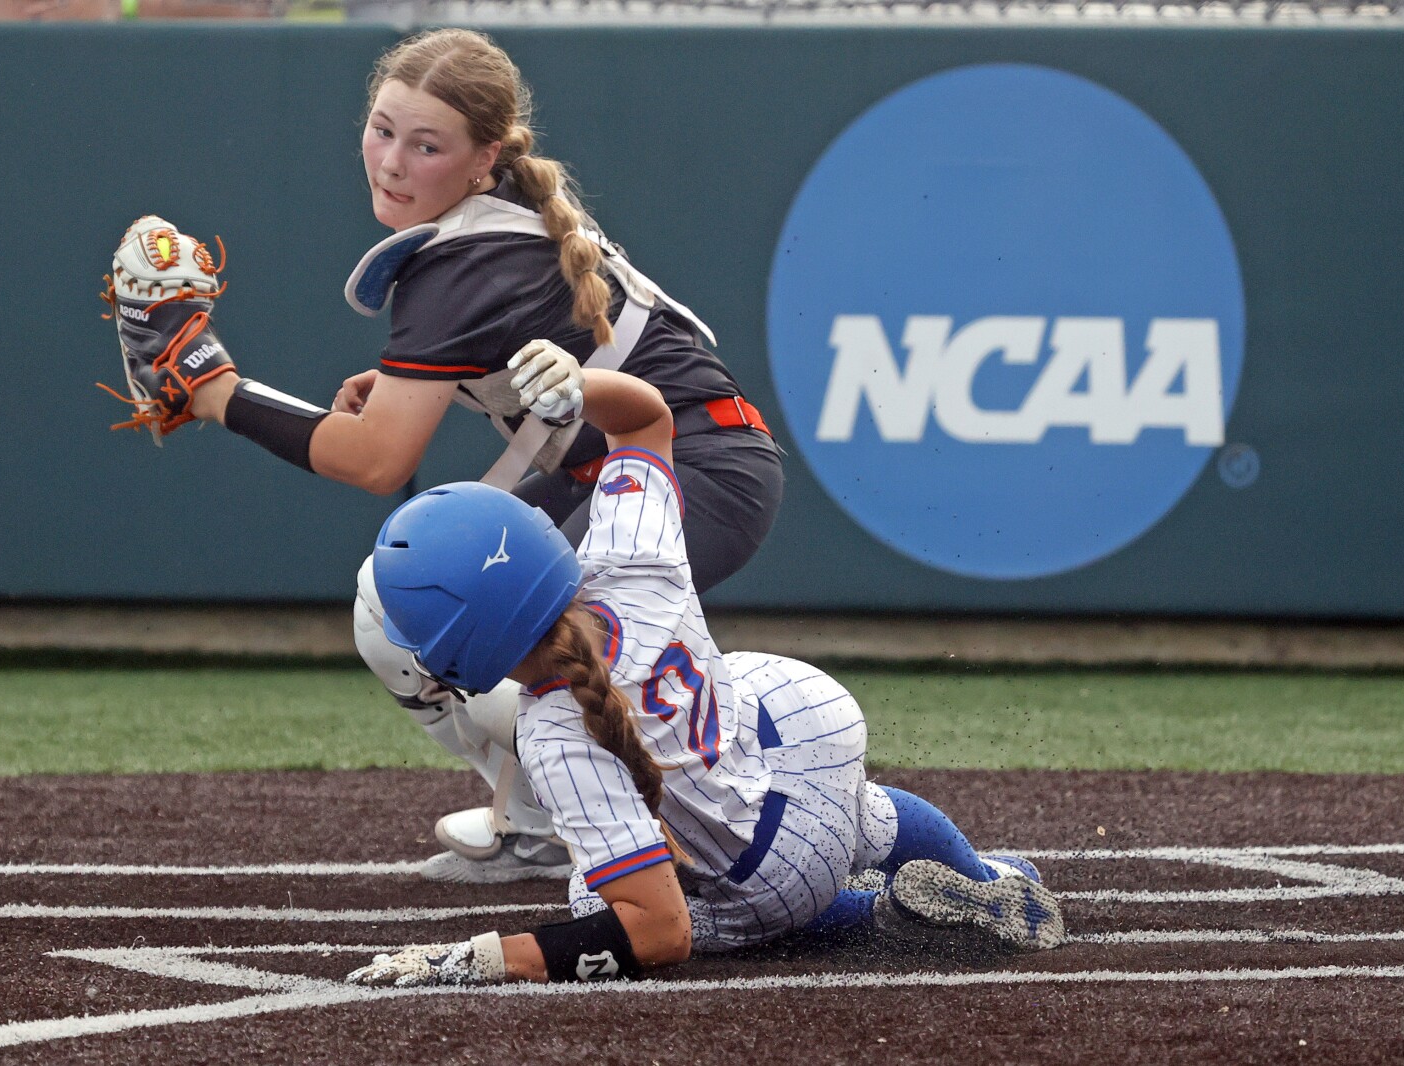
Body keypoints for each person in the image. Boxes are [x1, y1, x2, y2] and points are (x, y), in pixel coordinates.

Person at [100, 28, 784, 884]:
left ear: (481, 157)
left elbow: (375, 463)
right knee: (397, 601)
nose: (391, 161)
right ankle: (543, 824)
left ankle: (718, 825)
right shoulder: (489, 220)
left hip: (692, 473)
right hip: (649, 463)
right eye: (382, 129)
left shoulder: (460, 261)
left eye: (425, 145)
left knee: (511, 644)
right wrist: (415, 381)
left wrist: (212, 388)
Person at [341, 366, 1065, 988]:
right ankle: (985, 878)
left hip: (780, 869)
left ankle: (881, 915)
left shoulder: (555, 736)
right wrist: (573, 386)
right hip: (807, 742)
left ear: (457, 650)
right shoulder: (627, 558)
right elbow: (647, 417)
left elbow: (659, 934)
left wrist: (481, 958)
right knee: (845, 802)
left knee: (593, 899)